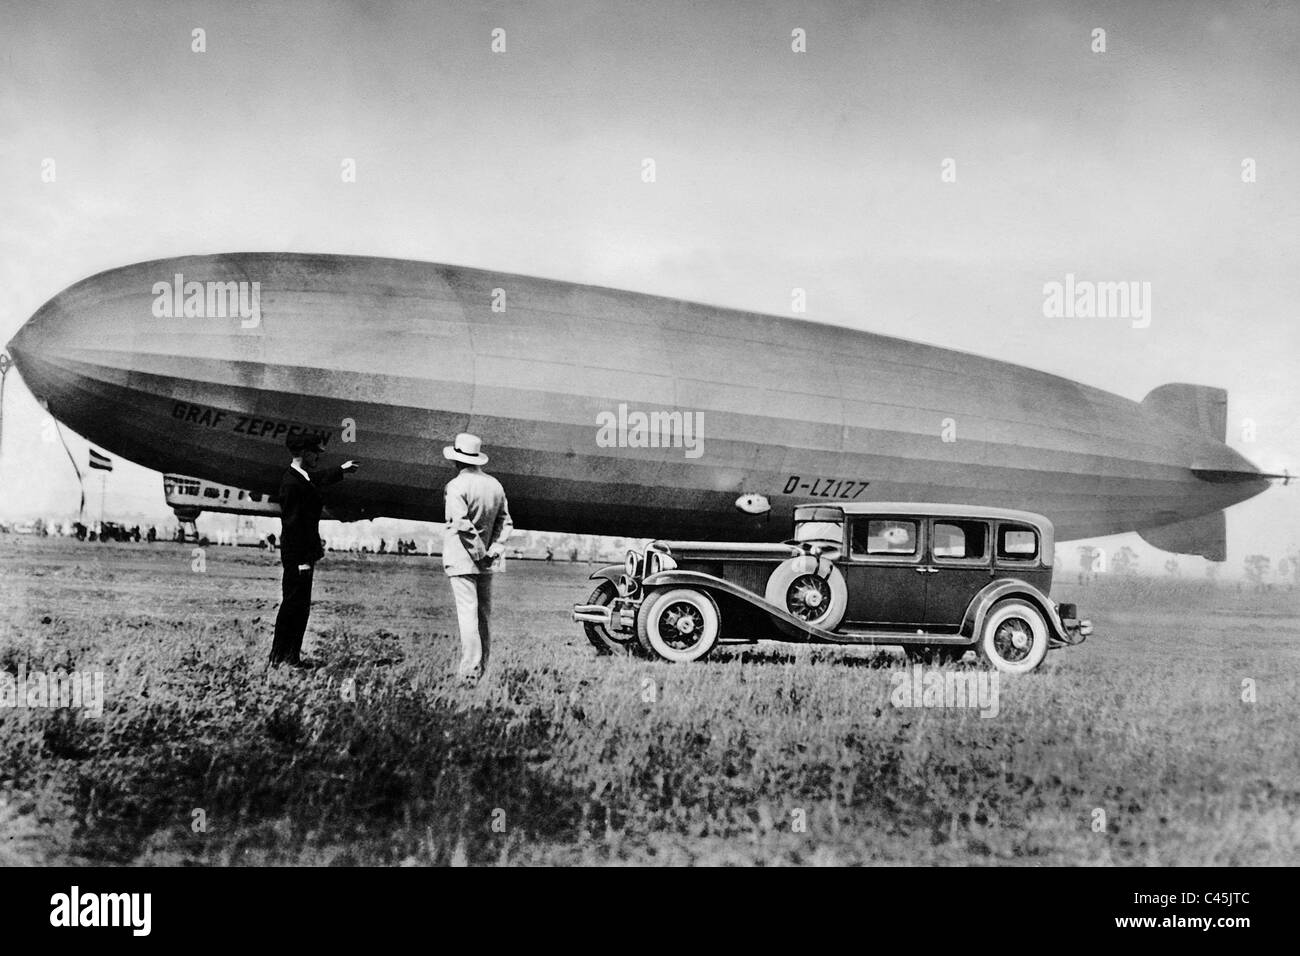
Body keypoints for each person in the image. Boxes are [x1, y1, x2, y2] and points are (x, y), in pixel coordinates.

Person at [269, 433, 358, 669]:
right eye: (316, 452)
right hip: (299, 557)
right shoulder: (291, 484)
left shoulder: (299, 478)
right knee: (293, 606)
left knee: (299, 606)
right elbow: (292, 525)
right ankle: (281, 657)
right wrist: (301, 560)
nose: (318, 456)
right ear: (306, 453)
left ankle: (288, 657)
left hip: (303, 556)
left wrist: (342, 470)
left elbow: (316, 479)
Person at [441, 432, 512, 686]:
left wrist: (478, 553)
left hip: (463, 559)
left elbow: (460, 523)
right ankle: (482, 669)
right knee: (483, 615)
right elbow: (505, 521)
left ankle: (470, 671)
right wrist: (494, 549)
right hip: (489, 560)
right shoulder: (495, 485)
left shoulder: (456, 486)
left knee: (467, 615)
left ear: (456, 460)